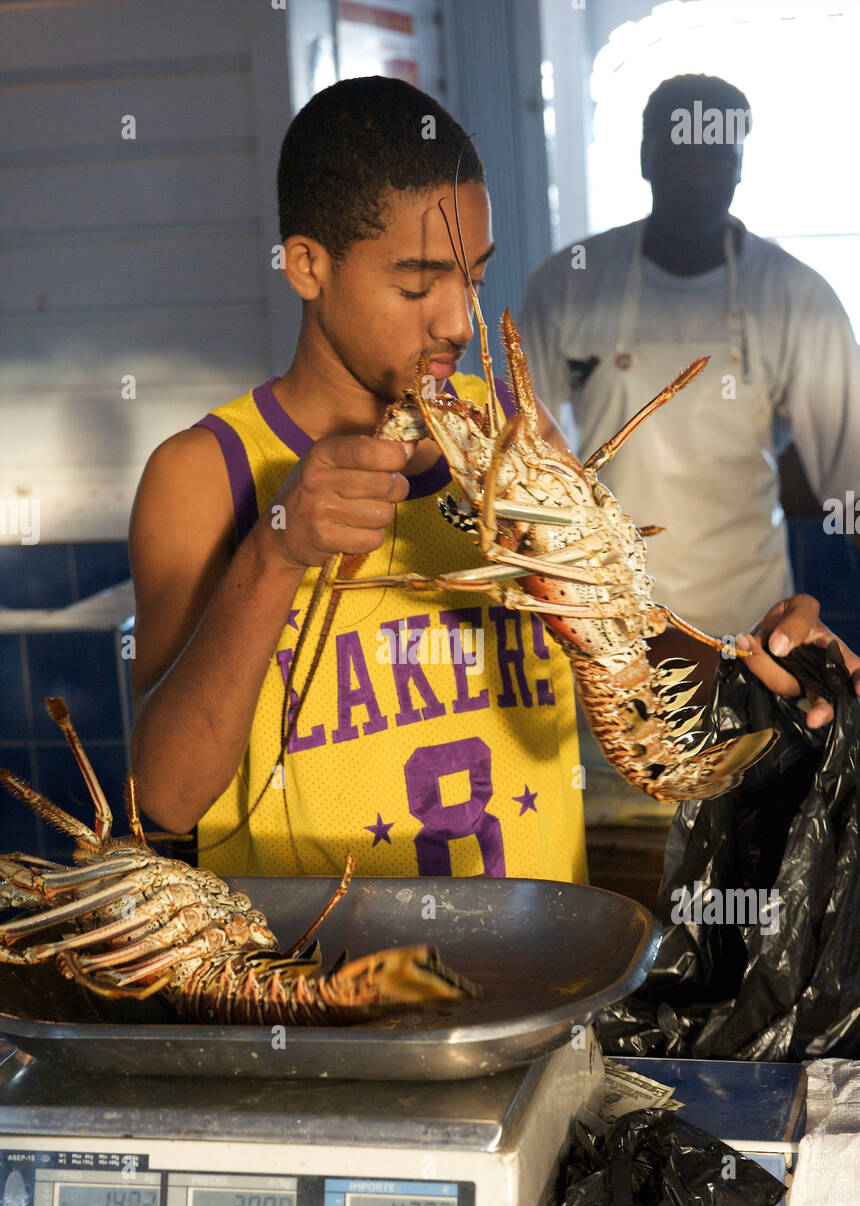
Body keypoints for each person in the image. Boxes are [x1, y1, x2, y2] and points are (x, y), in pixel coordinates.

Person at [128, 77, 860, 881]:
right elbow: (163, 800)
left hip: (535, 970)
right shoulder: (206, 473)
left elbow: (619, 655)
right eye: (416, 283)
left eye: (473, 277)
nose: (453, 320)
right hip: (316, 984)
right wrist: (274, 552)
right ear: (307, 265)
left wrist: (768, 668)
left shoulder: (514, 435)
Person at [519, 73, 860, 658]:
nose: (701, 178)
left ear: (741, 165)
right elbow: (523, 462)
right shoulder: (570, 283)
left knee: (754, 747)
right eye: (682, 155)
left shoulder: (796, 295)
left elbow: (852, 479)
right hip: (602, 623)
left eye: (720, 157)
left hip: (753, 630)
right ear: (647, 157)